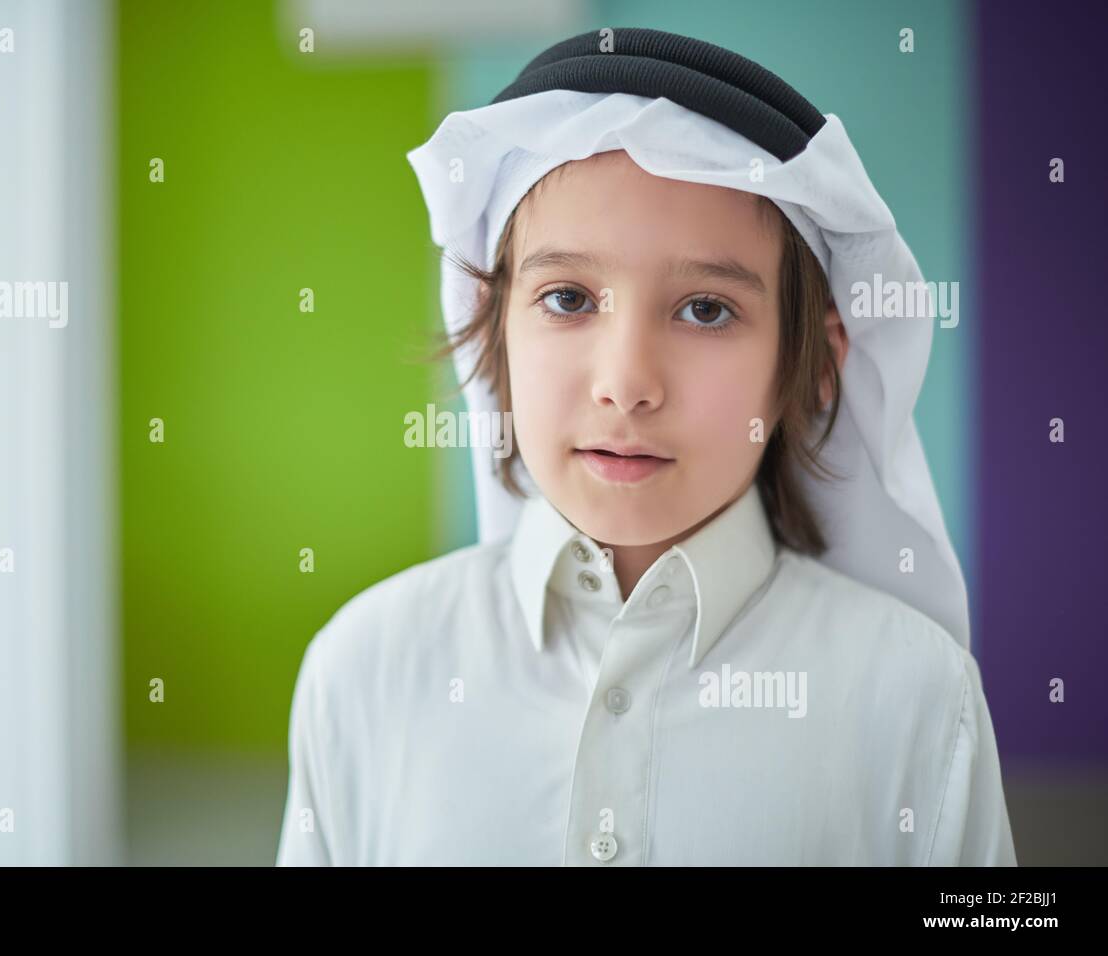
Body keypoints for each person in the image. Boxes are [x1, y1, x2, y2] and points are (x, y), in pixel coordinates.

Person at [275, 28, 1017, 866]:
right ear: (495, 327)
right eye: (567, 297)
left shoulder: (919, 698)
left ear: (813, 367)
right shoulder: (365, 668)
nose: (626, 383)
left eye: (705, 309)